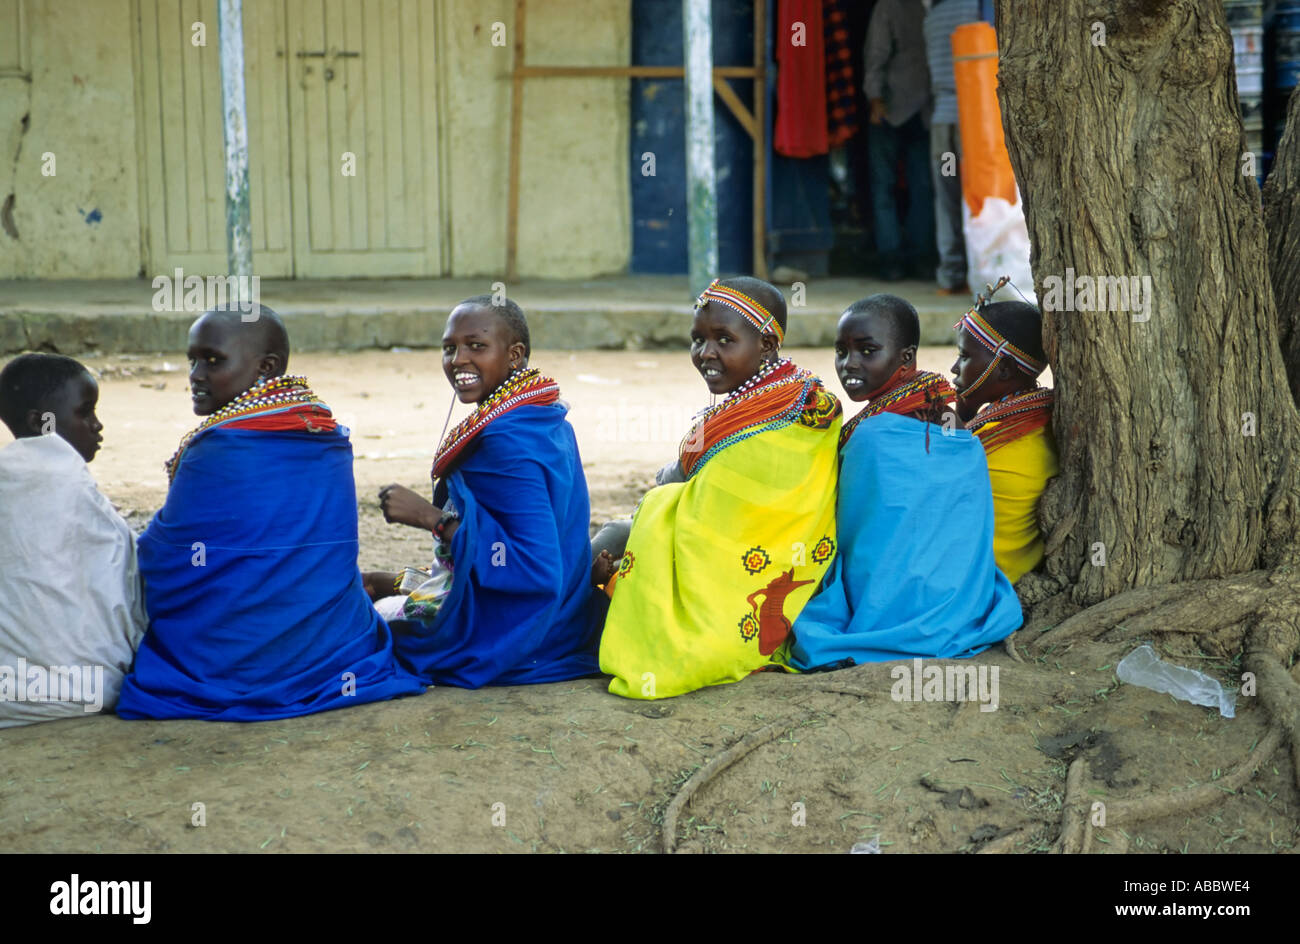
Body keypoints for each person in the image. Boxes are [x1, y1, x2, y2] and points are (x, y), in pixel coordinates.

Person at [116, 305, 426, 721]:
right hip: (331, 651)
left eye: (213, 360)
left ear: (267, 367)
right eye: (192, 359)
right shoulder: (324, 435)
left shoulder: (214, 451)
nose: (195, 374)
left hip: (228, 662)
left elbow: (163, 559)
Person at [598, 277, 842, 700]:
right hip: (732, 541)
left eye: (723, 340)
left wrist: (661, 499)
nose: (705, 354)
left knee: (612, 537)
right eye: (698, 340)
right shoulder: (794, 393)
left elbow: (726, 511)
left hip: (745, 562)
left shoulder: (786, 414)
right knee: (623, 529)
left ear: (766, 346)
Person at [366, 295, 602, 688]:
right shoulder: (541, 417)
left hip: (520, 634)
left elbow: (532, 568)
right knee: (371, 584)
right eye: (449, 348)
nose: (458, 360)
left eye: (476, 346)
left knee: (357, 631)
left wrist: (430, 517)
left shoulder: (507, 439)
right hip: (566, 618)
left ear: (515, 355)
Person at [788, 295, 1021, 668]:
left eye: (868, 351)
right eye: (841, 351)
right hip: (961, 604)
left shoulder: (871, 437)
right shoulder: (955, 425)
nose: (850, 364)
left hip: (885, 603)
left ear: (906, 357)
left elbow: (849, 532)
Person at [0, 354, 146, 725]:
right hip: (89, 692)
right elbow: (129, 584)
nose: (98, 425)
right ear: (41, 422)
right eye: (85, 412)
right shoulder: (68, 481)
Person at [951, 298, 1058, 583]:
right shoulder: (1034, 420)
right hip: (1006, 575)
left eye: (964, 357)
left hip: (973, 581)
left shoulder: (994, 441)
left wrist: (961, 413)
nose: (953, 368)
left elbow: (932, 479)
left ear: (1005, 369)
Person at [863, 0, 935, 281]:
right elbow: (877, 54)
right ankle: (913, 260)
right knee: (919, 188)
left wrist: (874, 98)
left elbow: (875, 53)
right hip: (907, 108)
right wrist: (876, 98)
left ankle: (899, 262)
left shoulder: (890, 5)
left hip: (902, 108)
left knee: (890, 189)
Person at [923, 0, 980, 294]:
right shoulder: (978, 7)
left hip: (942, 119)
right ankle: (981, 272)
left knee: (946, 198)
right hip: (976, 120)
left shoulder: (933, 15)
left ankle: (951, 275)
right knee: (979, 196)